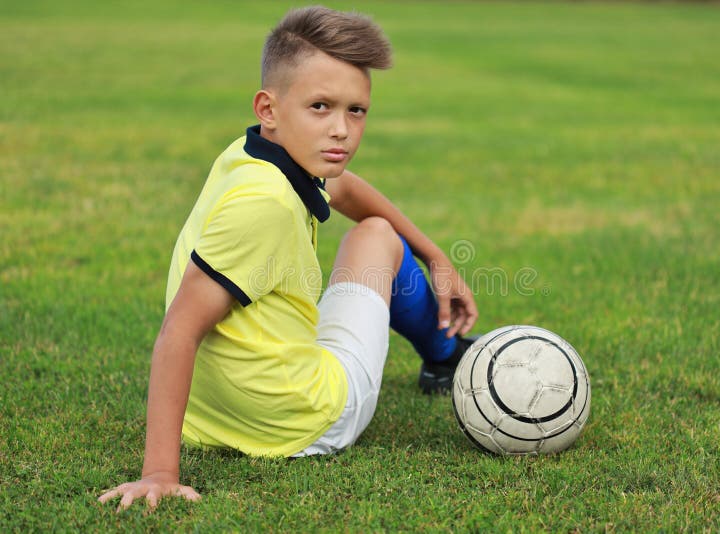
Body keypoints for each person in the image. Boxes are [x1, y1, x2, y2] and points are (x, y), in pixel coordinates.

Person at [98, 5, 478, 511]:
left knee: (369, 228)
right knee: (378, 236)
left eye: (356, 110)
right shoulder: (267, 205)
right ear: (269, 108)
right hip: (308, 419)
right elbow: (179, 330)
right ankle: (445, 356)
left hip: (215, 418)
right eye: (320, 107)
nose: (341, 130)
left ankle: (441, 353)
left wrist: (435, 256)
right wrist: (160, 473)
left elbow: (341, 188)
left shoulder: (252, 152)